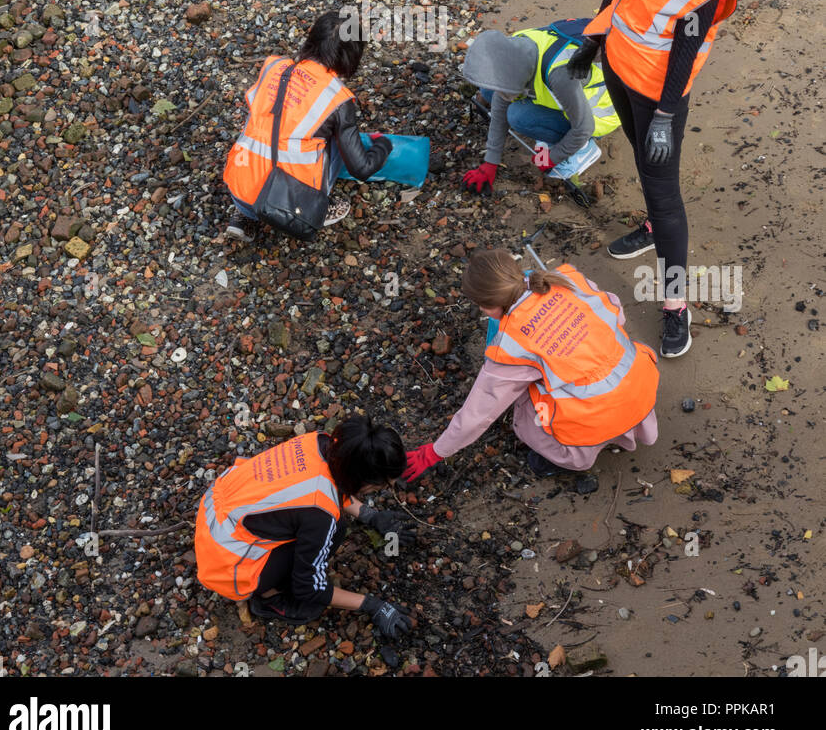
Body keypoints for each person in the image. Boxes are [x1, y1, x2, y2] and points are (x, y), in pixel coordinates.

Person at [569, 0, 737, 359]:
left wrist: (665, 114)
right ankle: (651, 229)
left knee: (665, 194)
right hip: (621, 71)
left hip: (659, 94)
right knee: (646, 170)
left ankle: (675, 305)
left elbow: (684, 55)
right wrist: (592, 41)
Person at [404, 249, 659, 493]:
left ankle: (566, 455)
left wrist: (435, 452)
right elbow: (617, 316)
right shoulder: (570, 281)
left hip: (594, 421)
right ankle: (626, 426)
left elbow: (479, 412)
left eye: (480, 305)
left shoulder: (511, 346)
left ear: (489, 305)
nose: (481, 310)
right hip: (641, 388)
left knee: (525, 402)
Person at [195, 415, 413, 640]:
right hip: (226, 562)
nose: (384, 489)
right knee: (335, 529)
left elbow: (324, 482)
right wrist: (372, 605)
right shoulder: (320, 514)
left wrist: (370, 516)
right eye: (384, 485)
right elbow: (308, 587)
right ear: (364, 480)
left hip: (215, 517)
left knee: (327, 524)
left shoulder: (320, 442)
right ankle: (269, 598)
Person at [223, 9, 392, 240]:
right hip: (288, 203)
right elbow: (361, 169)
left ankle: (243, 216)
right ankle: (318, 207)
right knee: (334, 136)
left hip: (238, 184)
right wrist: (383, 144)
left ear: (312, 40)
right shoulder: (336, 98)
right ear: (351, 56)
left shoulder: (273, 66)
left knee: (270, 121)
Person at [460, 20, 621, 195]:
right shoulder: (515, 46)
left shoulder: (562, 76)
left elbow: (584, 128)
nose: (502, 94)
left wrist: (553, 158)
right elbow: (500, 100)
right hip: (566, 97)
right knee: (488, 90)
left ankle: (584, 151)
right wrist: (490, 161)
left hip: (601, 114)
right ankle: (549, 128)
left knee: (518, 117)